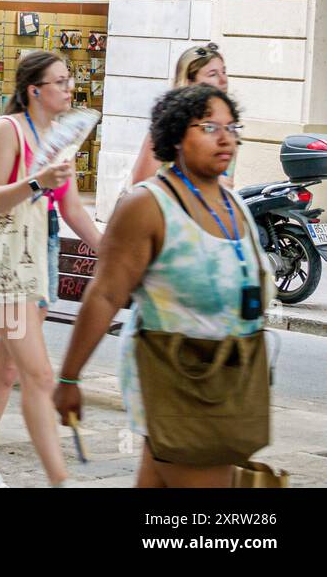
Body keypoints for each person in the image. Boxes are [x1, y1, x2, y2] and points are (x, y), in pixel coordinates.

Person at [55, 85, 271, 487]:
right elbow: (105, 295)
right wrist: (69, 378)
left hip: (231, 379)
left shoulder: (233, 203)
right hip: (177, 379)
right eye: (209, 127)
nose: (226, 137)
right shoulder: (148, 204)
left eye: (231, 126)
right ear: (175, 135)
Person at [0, 50, 100, 486]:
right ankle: (59, 479)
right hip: (7, 253)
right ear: (34, 90)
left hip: (40, 246)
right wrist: (36, 180)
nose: (70, 89)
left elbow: (69, 207)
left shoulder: (58, 137)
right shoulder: (6, 131)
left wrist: (109, 250)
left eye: (69, 81)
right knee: (39, 373)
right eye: (60, 82)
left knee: (5, 368)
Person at [130, 43, 234, 188]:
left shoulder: (228, 127)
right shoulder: (169, 125)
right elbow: (140, 183)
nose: (224, 80)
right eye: (213, 74)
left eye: (224, 72)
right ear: (190, 81)